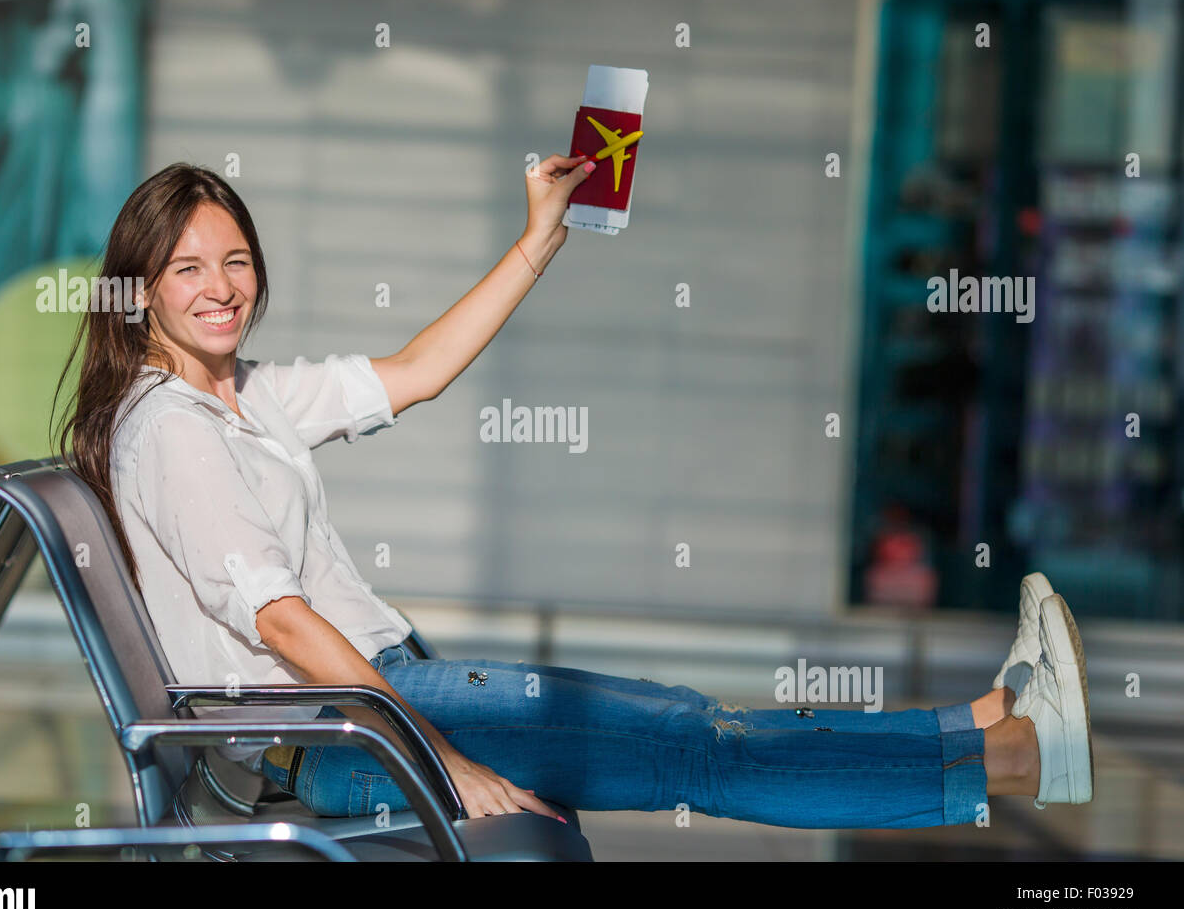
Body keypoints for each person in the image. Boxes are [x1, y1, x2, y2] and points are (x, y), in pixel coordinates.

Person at [54, 162, 1093, 829]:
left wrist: (539, 238)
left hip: (383, 695)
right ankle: (1012, 756)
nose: (221, 285)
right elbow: (280, 619)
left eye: (235, 260)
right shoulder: (173, 433)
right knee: (699, 743)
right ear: (138, 289)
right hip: (355, 732)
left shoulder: (243, 397)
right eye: (188, 267)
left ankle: (980, 719)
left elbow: (417, 369)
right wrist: (441, 757)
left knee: (698, 728)